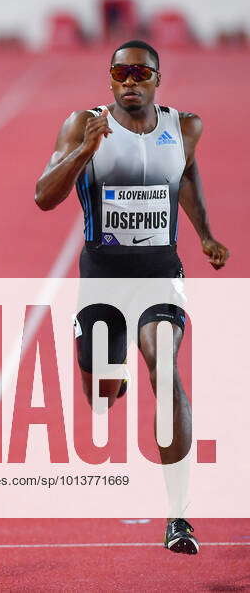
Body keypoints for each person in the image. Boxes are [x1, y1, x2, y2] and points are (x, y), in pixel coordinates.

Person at [34, 40, 229, 555]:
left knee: (163, 366)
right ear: (111, 80)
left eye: (142, 73)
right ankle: (106, 375)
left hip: (159, 272)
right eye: (121, 73)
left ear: (158, 80)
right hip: (102, 275)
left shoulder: (184, 127)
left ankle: (179, 515)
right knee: (101, 390)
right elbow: (42, 197)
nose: (131, 81)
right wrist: (83, 151)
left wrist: (205, 233)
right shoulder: (83, 124)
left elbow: (185, 174)